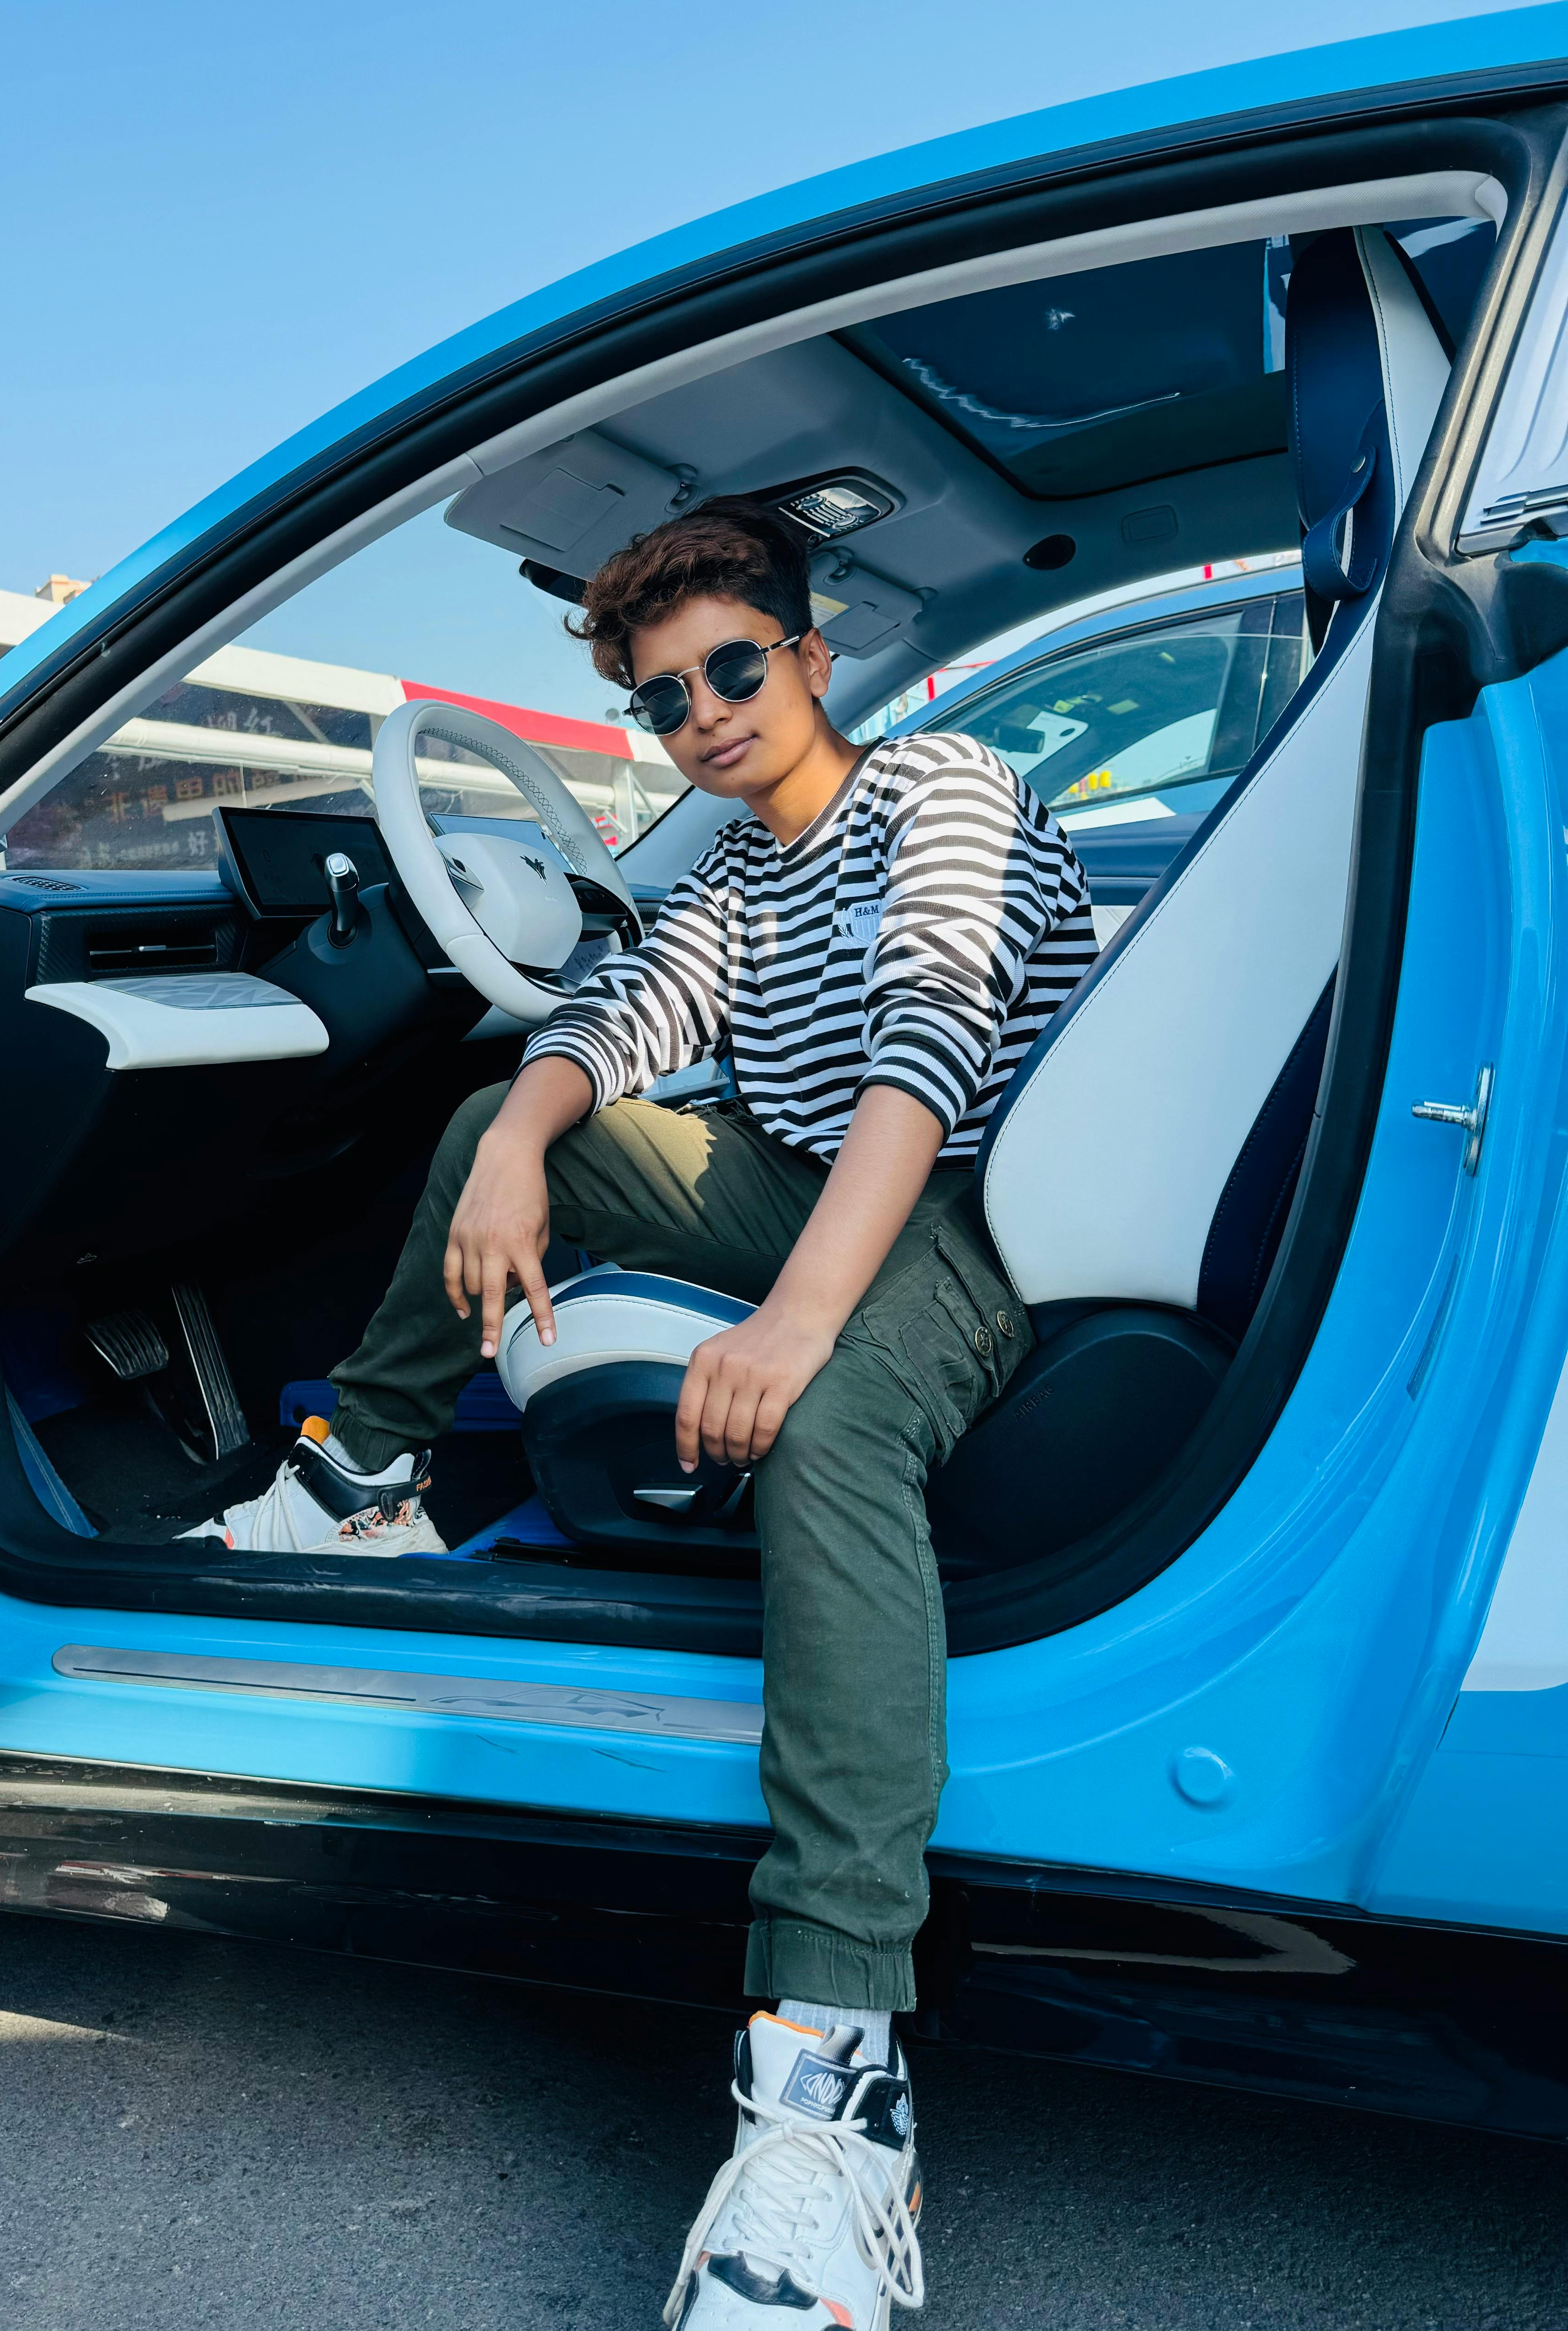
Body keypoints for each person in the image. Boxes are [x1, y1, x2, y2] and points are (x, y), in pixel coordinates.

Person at [187, 497, 1097, 2321]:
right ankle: (362, 1475)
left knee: (829, 1427)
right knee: (487, 1130)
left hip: (994, 1207)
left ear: (813, 658)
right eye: (670, 701)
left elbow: (929, 1046)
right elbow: (629, 998)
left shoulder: (947, 789)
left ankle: (831, 2089)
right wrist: (523, 1138)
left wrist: (796, 1325)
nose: (707, 717)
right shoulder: (743, 875)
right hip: (804, 1173)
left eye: (736, 670)